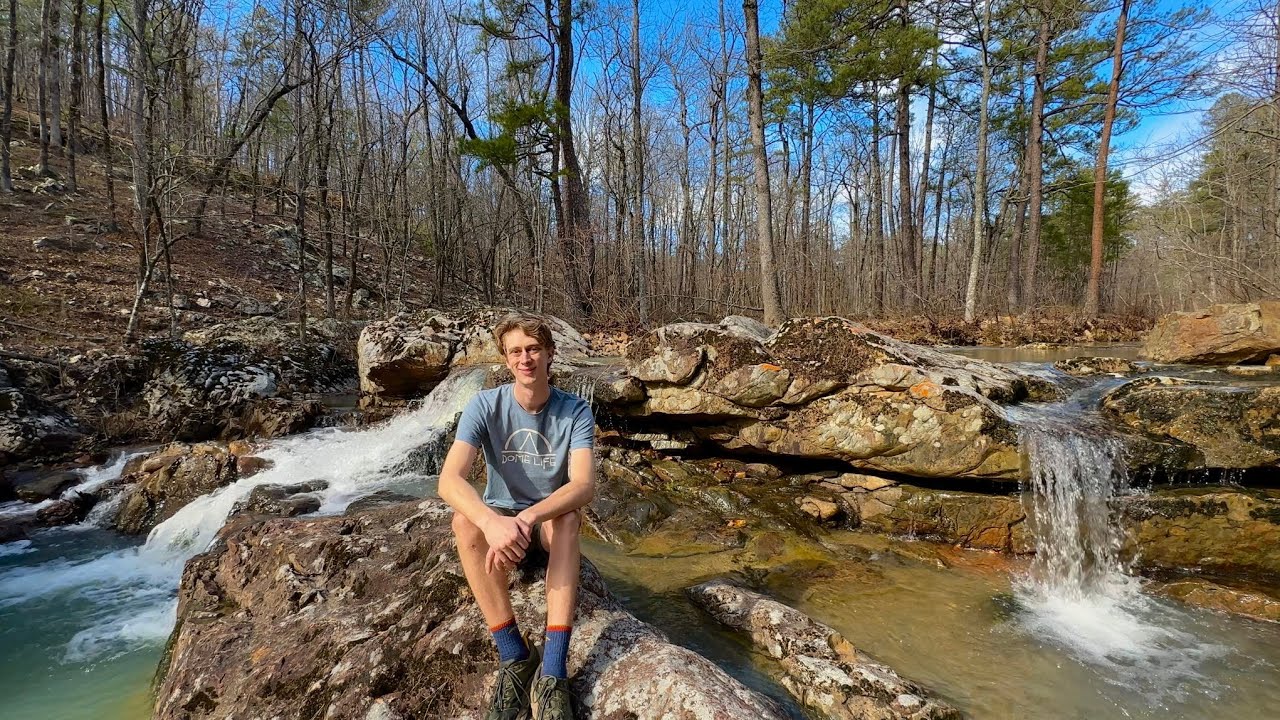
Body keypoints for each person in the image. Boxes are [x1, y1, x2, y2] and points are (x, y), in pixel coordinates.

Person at [438, 314, 596, 720]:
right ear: (506, 360)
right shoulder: (484, 405)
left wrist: (527, 518)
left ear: (549, 354)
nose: (525, 359)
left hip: (544, 525)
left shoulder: (575, 410)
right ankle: (515, 656)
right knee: (464, 521)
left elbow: (582, 486)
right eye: (516, 352)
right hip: (501, 525)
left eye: (533, 349)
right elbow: (449, 480)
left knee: (569, 519)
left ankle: (554, 672)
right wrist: (492, 522)